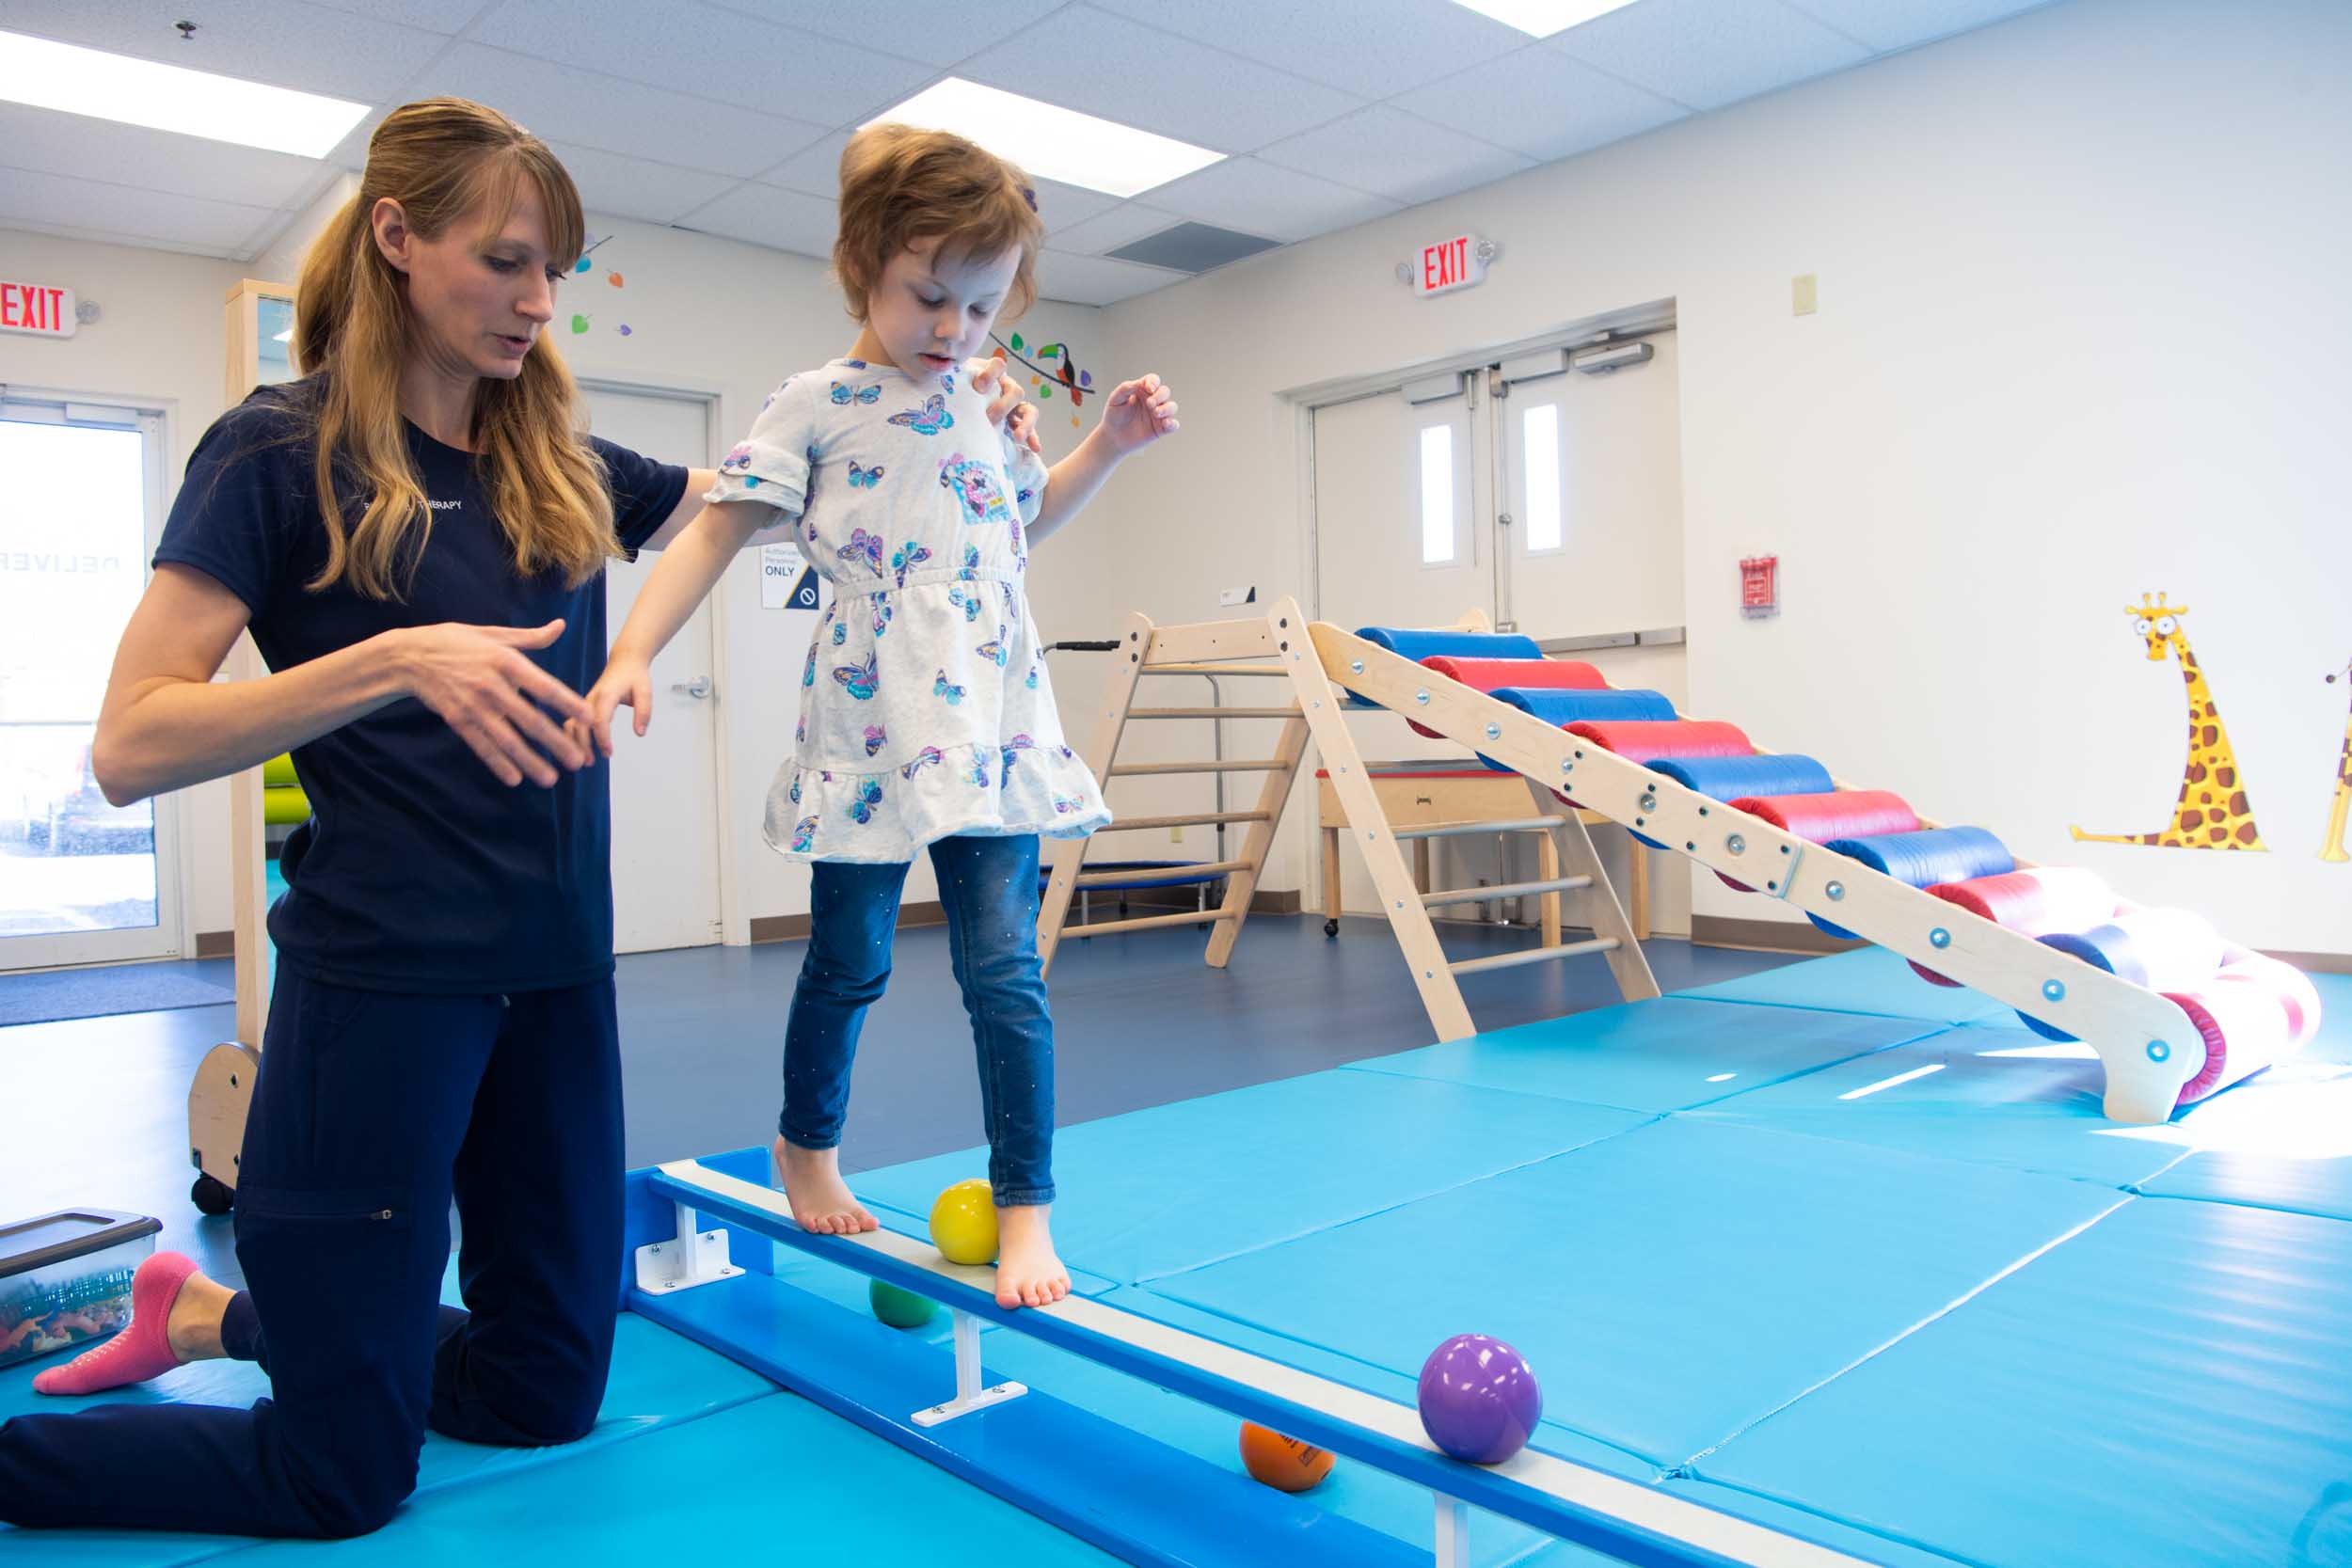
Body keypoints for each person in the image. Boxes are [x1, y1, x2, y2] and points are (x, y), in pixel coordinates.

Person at [0, 97, 1026, 1541]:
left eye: (558, 272)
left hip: (555, 978)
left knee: (549, 1383)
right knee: (337, 1479)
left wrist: (953, 409)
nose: (539, 303)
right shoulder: (274, 453)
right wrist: (392, 659)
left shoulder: (561, 460)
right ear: (397, 237)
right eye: (506, 262)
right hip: (381, 989)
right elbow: (128, 740)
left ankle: (229, 1317)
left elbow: (800, 494)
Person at [588, 123, 1179, 1310]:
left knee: (1005, 971)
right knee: (849, 961)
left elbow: (1017, 531)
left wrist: (1104, 449)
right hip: (868, 725)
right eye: (930, 298)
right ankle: (807, 1141)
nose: (954, 331)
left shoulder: (985, 403)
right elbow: (713, 528)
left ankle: (1027, 1206)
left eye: (981, 306)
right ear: (862, 265)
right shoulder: (816, 405)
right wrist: (631, 649)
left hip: (992, 722)